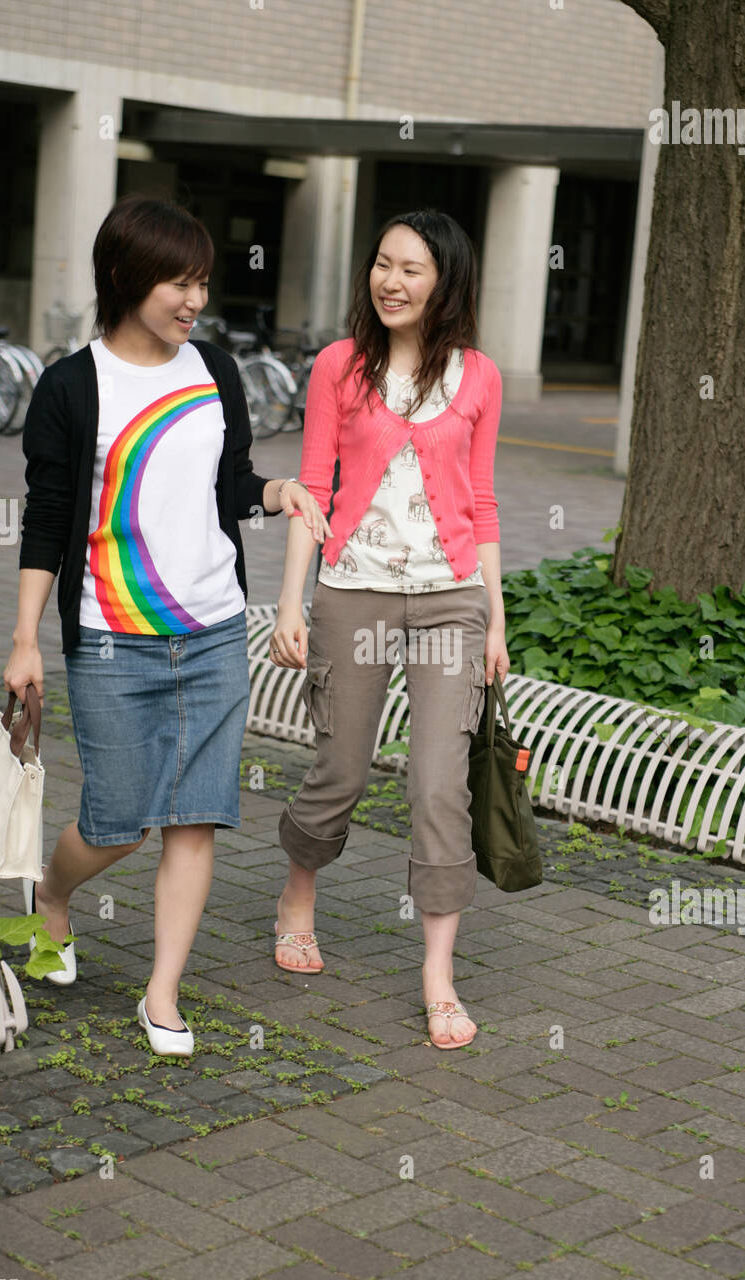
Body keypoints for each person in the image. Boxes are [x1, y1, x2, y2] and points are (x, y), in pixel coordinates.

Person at [4, 194, 330, 1057]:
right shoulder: (73, 386)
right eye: (176, 283)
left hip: (216, 629)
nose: (193, 301)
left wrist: (278, 492)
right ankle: (52, 896)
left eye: (201, 284)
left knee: (195, 815)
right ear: (124, 277)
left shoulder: (214, 368)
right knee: (117, 821)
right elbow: (47, 519)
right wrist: (24, 637)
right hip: (110, 633)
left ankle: (162, 993)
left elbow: (231, 483)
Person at [269, 208, 509, 1050]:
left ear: (445, 281)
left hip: (449, 601)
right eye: (382, 263)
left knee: (440, 783)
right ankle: (298, 891)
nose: (392, 280)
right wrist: (291, 600)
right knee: (341, 765)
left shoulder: (479, 376)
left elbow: (480, 502)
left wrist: (494, 621)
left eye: (411, 268)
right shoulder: (340, 364)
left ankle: (438, 974)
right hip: (352, 592)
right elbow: (312, 485)